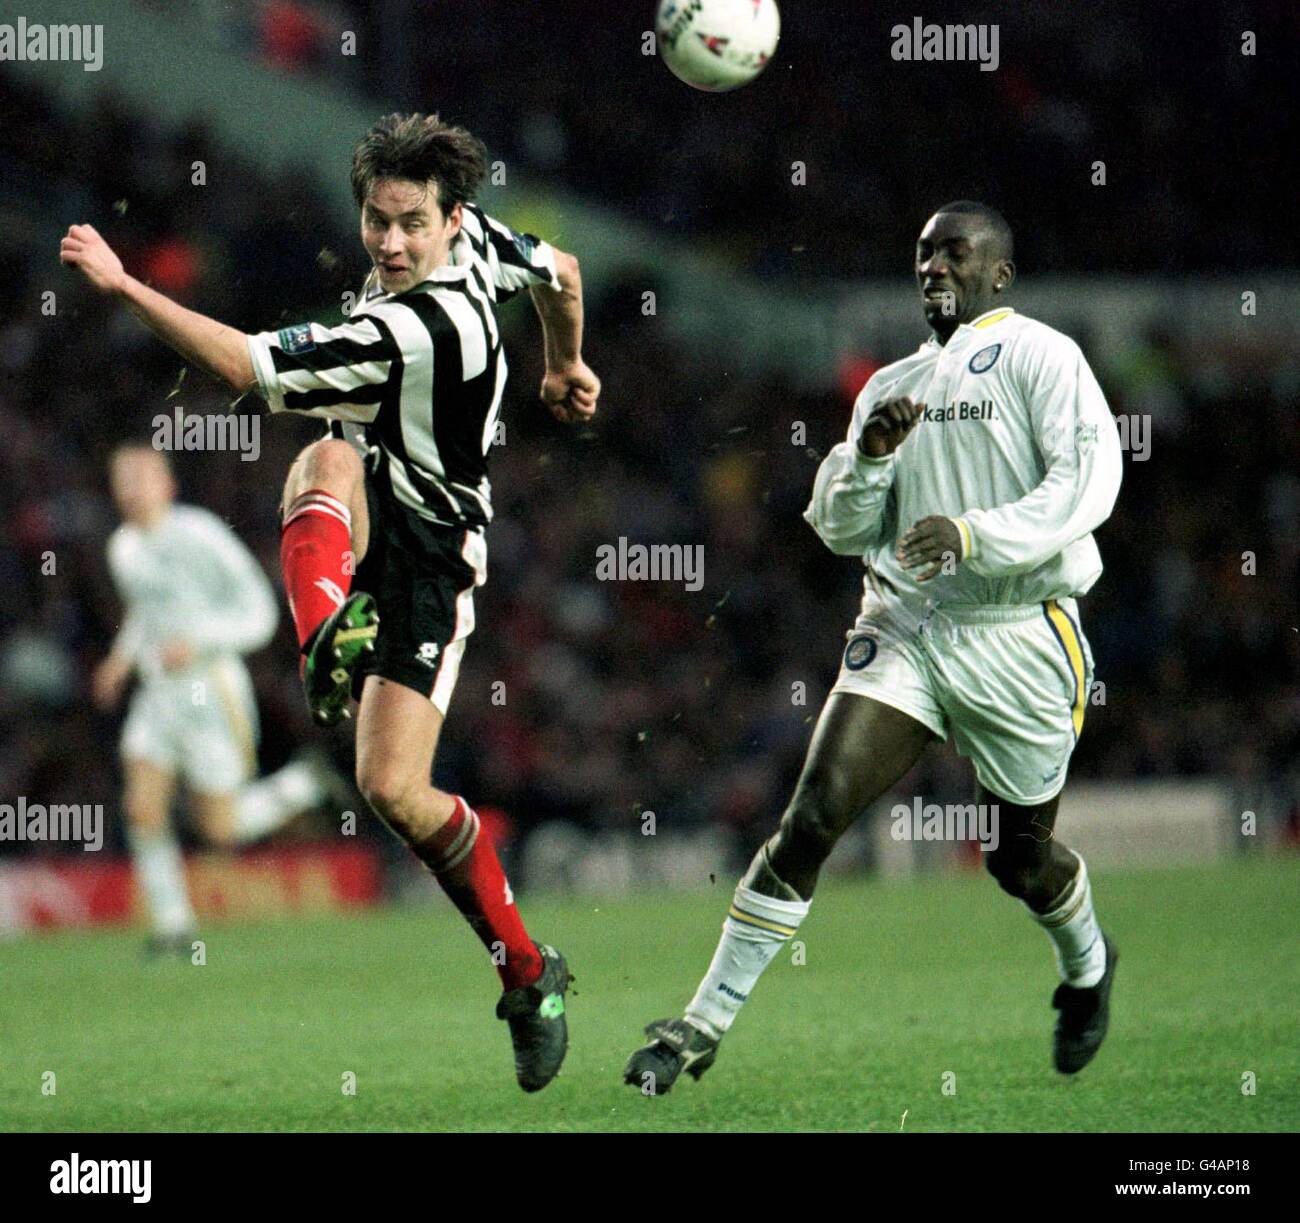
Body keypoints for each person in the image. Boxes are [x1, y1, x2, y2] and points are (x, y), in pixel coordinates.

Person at [62, 112, 599, 1092]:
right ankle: (328, 640)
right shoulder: (483, 240)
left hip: (432, 552)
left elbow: (243, 368)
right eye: (375, 219)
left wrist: (125, 283)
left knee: (394, 789)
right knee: (330, 452)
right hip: (376, 493)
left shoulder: (409, 327)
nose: (389, 242)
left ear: (449, 220)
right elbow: (562, 271)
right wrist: (564, 362)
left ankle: (527, 971)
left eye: (409, 225)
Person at [624, 201, 1123, 1094]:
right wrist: (873, 461)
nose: (934, 265)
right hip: (906, 627)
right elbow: (841, 526)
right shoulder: (890, 384)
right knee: (813, 815)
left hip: (1021, 633)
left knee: (1018, 860)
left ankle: (1088, 965)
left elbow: (1087, 484)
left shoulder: (1046, 356)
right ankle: (700, 1024)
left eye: (955, 252)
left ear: (998, 274)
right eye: (923, 252)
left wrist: (976, 535)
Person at [94, 445, 344, 955]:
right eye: (123, 477)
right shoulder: (123, 547)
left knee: (219, 828)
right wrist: (121, 659)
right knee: (141, 808)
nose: (132, 486)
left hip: (211, 690)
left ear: (168, 483)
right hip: (158, 696)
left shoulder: (200, 535)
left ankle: (303, 784)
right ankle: (173, 925)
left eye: (143, 475)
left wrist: (200, 641)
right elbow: (146, 612)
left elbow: (260, 611)